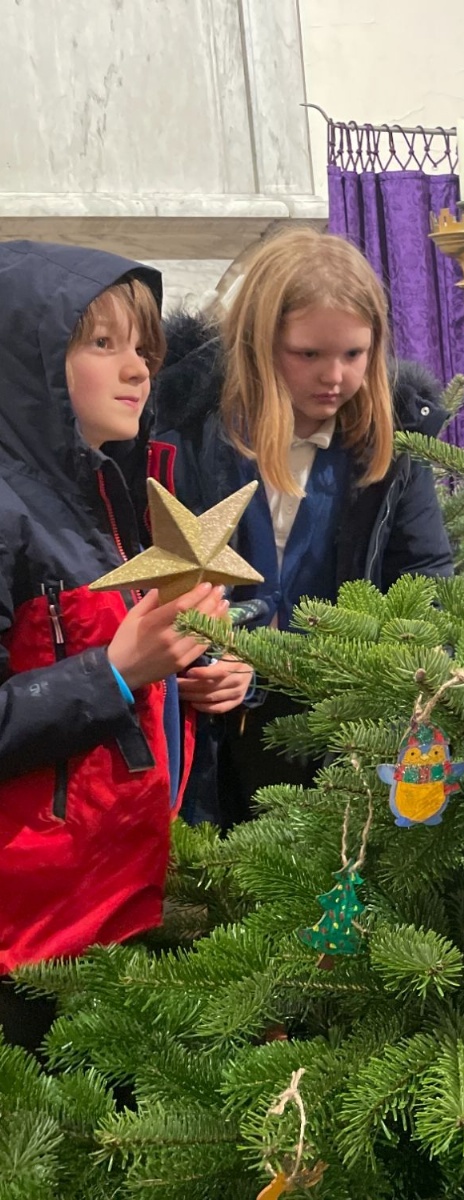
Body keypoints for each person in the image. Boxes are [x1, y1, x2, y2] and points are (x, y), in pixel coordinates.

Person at [0, 241, 231, 1051]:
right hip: (29, 937)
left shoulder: (111, 492)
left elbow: (125, 688)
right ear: (27, 356)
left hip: (123, 897)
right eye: (101, 343)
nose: (136, 369)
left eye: (143, 347)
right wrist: (115, 672)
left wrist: (192, 678)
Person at [153, 229, 454, 828]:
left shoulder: (394, 447)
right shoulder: (183, 432)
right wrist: (189, 667)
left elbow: (427, 583)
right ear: (261, 345)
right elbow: (151, 576)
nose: (335, 377)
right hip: (218, 742)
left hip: (342, 728)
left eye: (353, 354)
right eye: (308, 354)